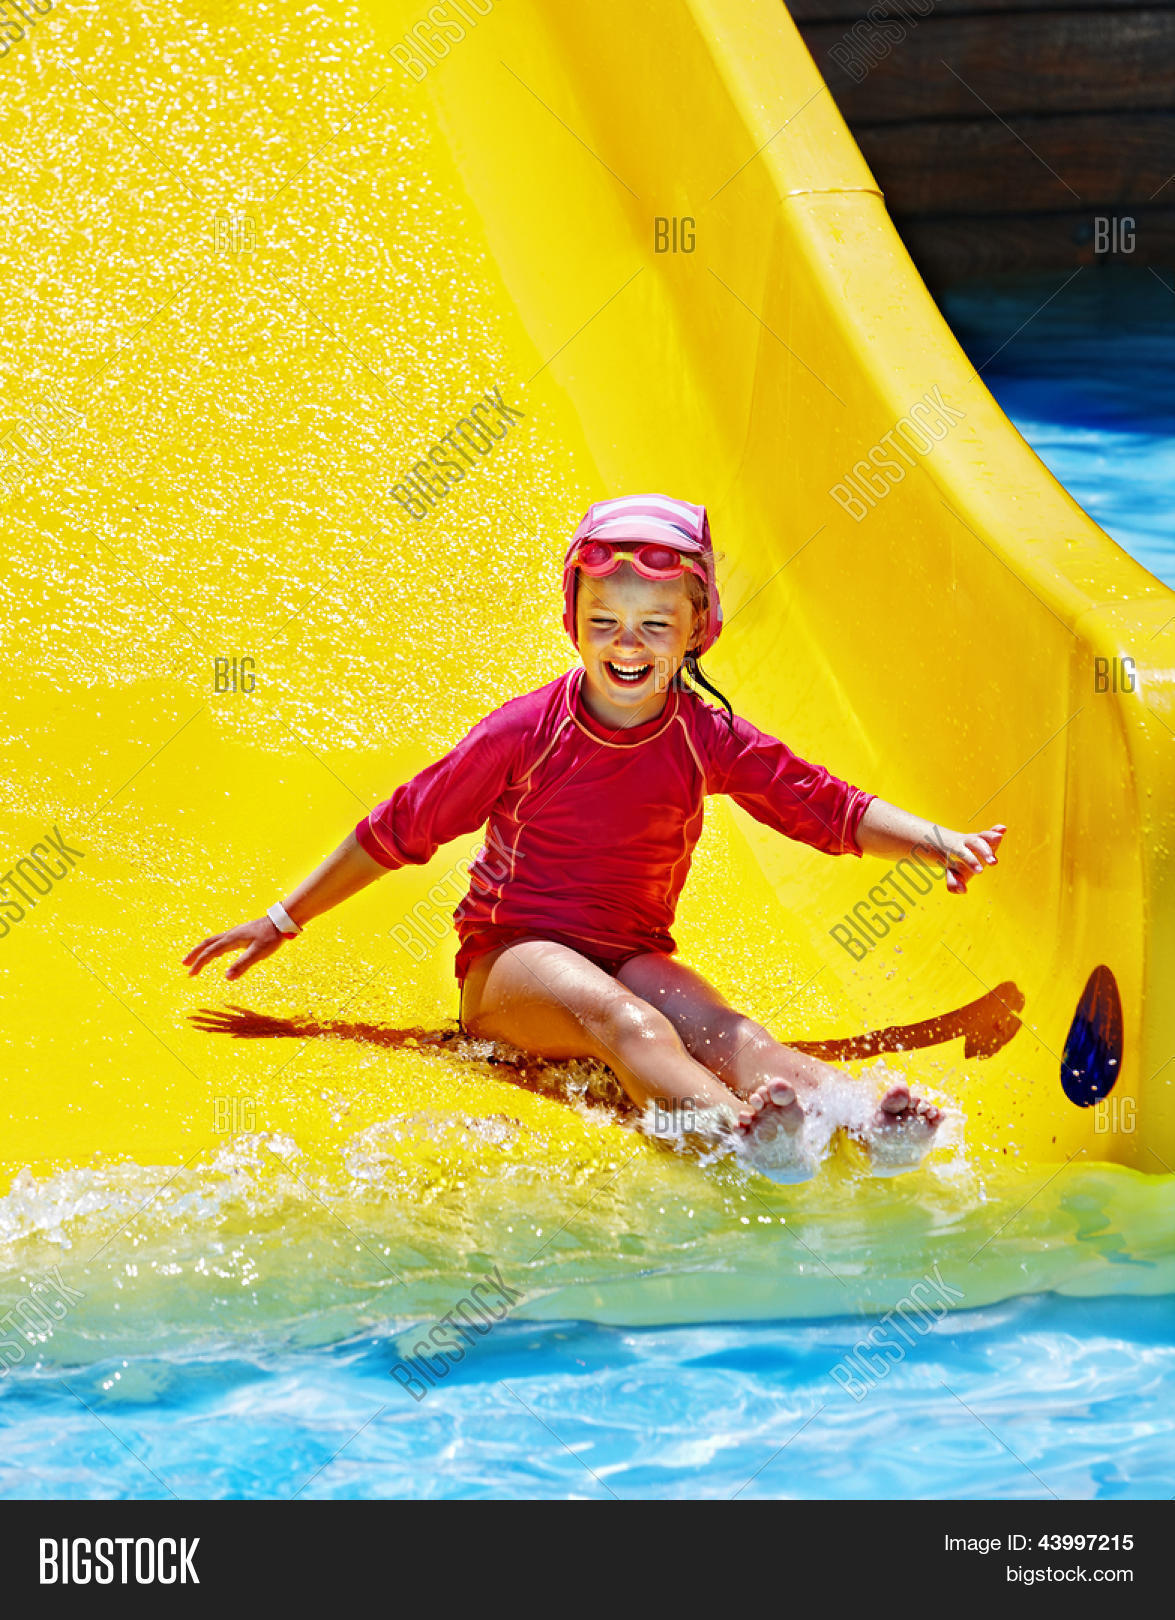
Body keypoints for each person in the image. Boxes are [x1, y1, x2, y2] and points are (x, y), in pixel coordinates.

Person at [183, 494, 1005, 1179]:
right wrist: (283, 918)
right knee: (634, 1026)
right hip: (511, 962)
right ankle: (742, 1137)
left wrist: (936, 841)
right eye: (604, 619)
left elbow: (825, 807)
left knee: (729, 1033)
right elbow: (400, 827)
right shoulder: (522, 733)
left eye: (654, 624)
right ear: (572, 622)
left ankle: (862, 1124)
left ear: (697, 630)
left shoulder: (704, 737)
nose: (626, 642)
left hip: (630, 952)